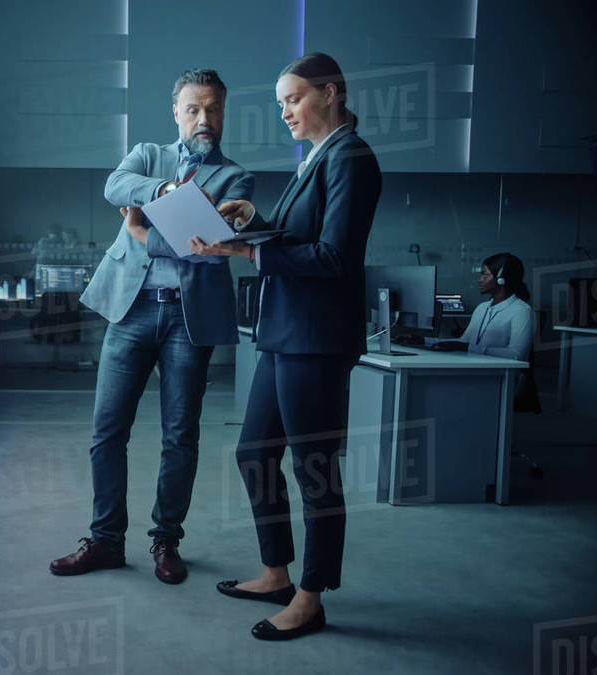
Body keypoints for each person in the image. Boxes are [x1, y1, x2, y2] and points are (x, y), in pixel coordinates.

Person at [188, 53, 382, 640]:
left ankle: (310, 596)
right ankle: (276, 570)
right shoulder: (318, 158)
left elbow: (335, 257)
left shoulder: (351, 157)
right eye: (280, 104)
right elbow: (298, 236)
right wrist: (251, 219)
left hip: (315, 342)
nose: (285, 113)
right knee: (254, 454)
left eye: (293, 100)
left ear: (330, 92)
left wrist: (243, 252)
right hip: (284, 335)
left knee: (314, 468)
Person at [49, 69, 255, 585]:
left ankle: (166, 541)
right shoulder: (146, 155)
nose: (203, 119)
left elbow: (205, 249)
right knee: (106, 432)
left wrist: (141, 225)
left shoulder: (236, 180)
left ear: (224, 112)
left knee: (180, 437)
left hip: (190, 321)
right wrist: (167, 191)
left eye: (213, 109)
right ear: (176, 112)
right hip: (131, 309)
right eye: (193, 109)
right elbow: (114, 185)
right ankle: (105, 541)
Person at [423, 253, 535, 361]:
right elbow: (463, 341)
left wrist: (468, 347)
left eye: (485, 276)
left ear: (501, 279)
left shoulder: (522, 311)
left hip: (500, 376)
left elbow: (517, 354)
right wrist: (424, 340)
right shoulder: (482, 308)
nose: (480, 280)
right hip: (475, 370)